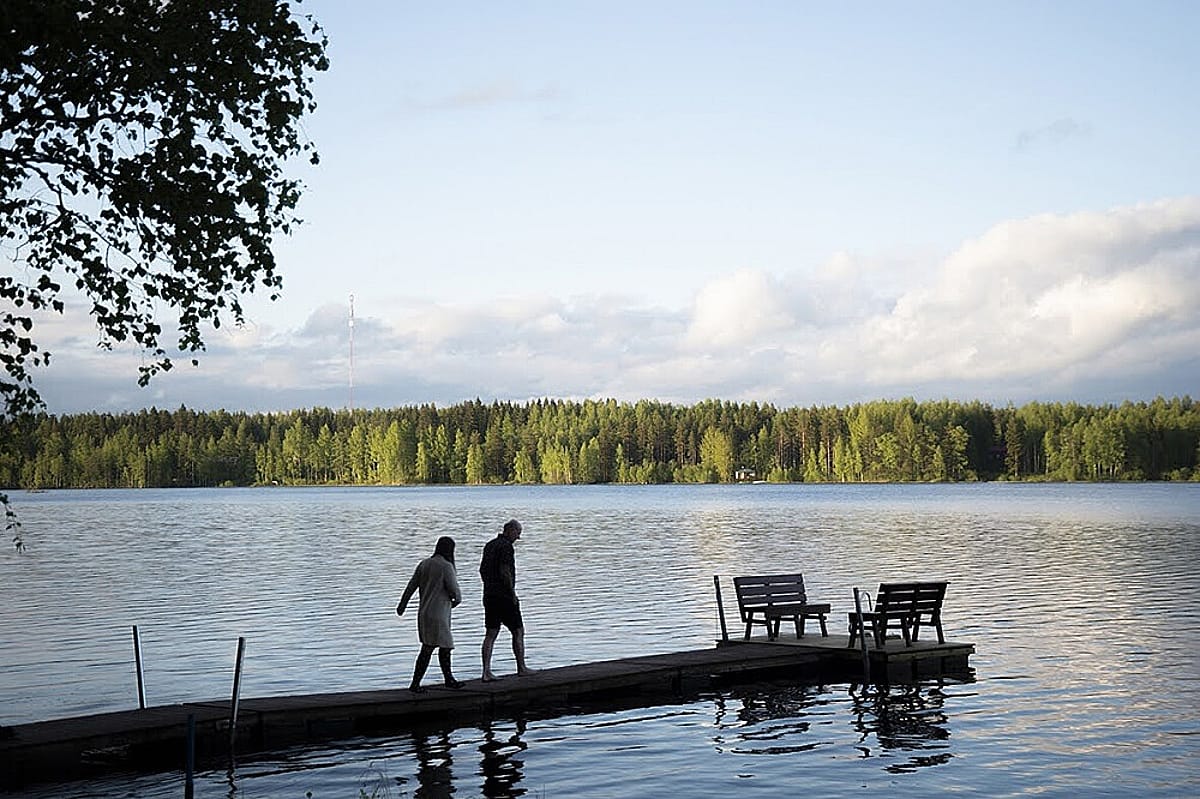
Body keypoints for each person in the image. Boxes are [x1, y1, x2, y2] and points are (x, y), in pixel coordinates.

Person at [397, 536, 464, 692]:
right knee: (444, 646)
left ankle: (421, 682)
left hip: (424, 613)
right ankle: (445, 680)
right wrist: (457, 601)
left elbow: (411, 586)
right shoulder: (446, 566)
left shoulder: (424, 564)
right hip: (439, 613)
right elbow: (455, 591)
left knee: (428, 646)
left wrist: (402, 605)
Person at [479, 518, 533, 681]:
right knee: (518, 631)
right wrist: (511, 593)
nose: (518, 538)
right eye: (517, 533)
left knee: (491, 633)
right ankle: (521, 667)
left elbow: (482, 570)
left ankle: (486, 671)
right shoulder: (506, 547)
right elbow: (505, 571)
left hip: (489, 595)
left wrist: (489, 585)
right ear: (509, 530)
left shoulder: (490, 545)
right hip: (504, 596)